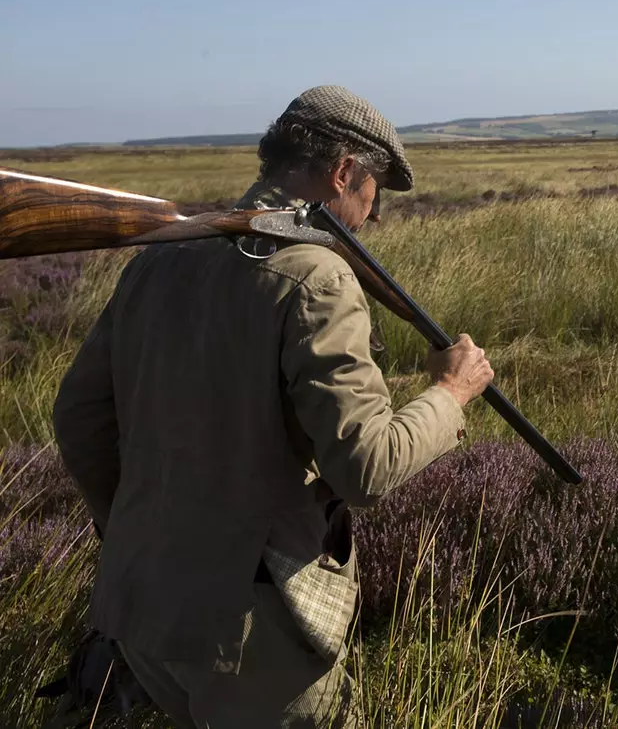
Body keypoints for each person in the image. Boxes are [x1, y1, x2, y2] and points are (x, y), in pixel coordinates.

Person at [52, 85, 496, 728]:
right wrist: (451, 393)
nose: (371, 217)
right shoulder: (318, 275)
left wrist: (133, 529)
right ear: (344, 171)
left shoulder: (161, 256)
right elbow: (366, 466)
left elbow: (78, 418)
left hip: (143, 604)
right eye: (373, 194)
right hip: (251, 627)